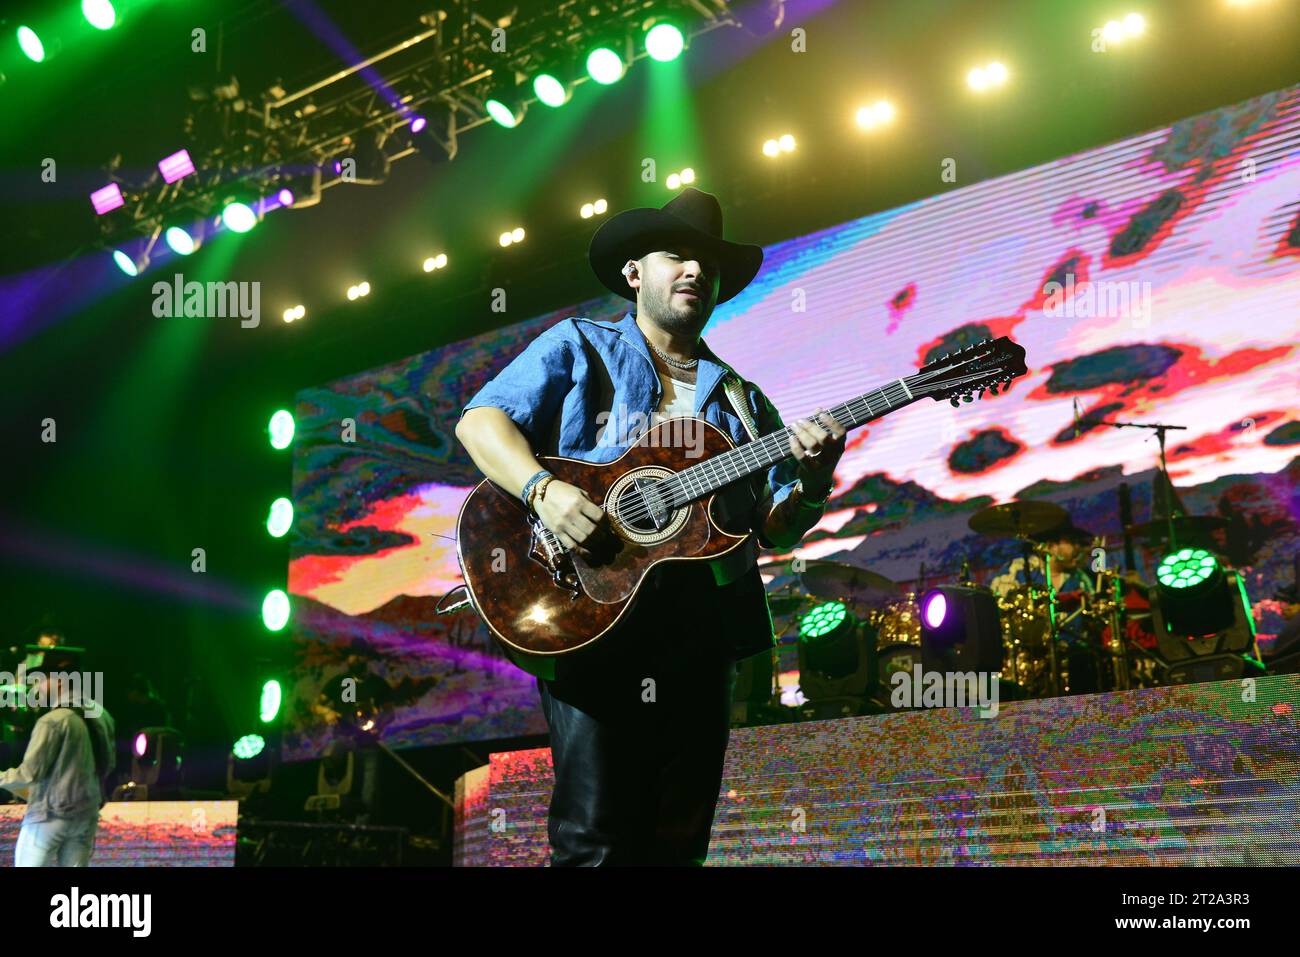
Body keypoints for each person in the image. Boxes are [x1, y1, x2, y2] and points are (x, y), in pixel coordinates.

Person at [455, 187, 846, 865]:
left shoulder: (743, 399)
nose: (696, 270)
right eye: (678, 255)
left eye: (709, 263)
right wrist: (544, 491)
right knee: (595, 841)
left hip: (700, 634)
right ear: (635, 272)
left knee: (678, 846)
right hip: (592, 615)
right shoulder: (579, 345)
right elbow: (480, 421)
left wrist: (813, 478)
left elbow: (774, 527)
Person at [0, 650, 115, 866]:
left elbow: (28, 774)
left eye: (40, 681)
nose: (36, 688)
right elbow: (108, 765)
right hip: (86, 817)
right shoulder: (102, 714)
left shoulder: (52, 721)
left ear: (60, 682)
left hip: (48, 817)